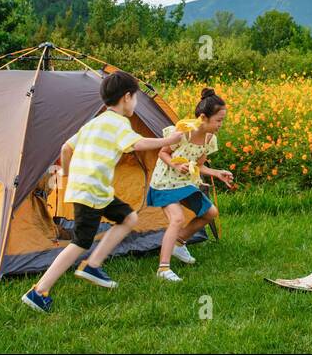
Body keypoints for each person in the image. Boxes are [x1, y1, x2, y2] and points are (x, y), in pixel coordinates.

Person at [21, 71, 183, 312]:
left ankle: (92, 265)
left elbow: (66, 148)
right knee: (80, 242)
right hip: (92, 189)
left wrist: (66, 174)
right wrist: (167, 141)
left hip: (89, 188)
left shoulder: (94, 122)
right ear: (127, 97)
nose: (135, 102)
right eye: (136, 98)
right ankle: (39, 291)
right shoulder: (119, 123)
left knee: (129, 217)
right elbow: (138, 144)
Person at [146, 87, 235, 283]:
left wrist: (218, 173)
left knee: (210, 212)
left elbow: (200, 166)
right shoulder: (183, 131)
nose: (221, 124)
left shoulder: (210, 139)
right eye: (218, 120)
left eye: (222, 120)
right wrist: (177, 166)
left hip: (185, 183)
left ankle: (179, 242)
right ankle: (163, 268)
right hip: (164, 183)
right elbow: (162, 153)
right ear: (203, 117)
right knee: (176, 218)